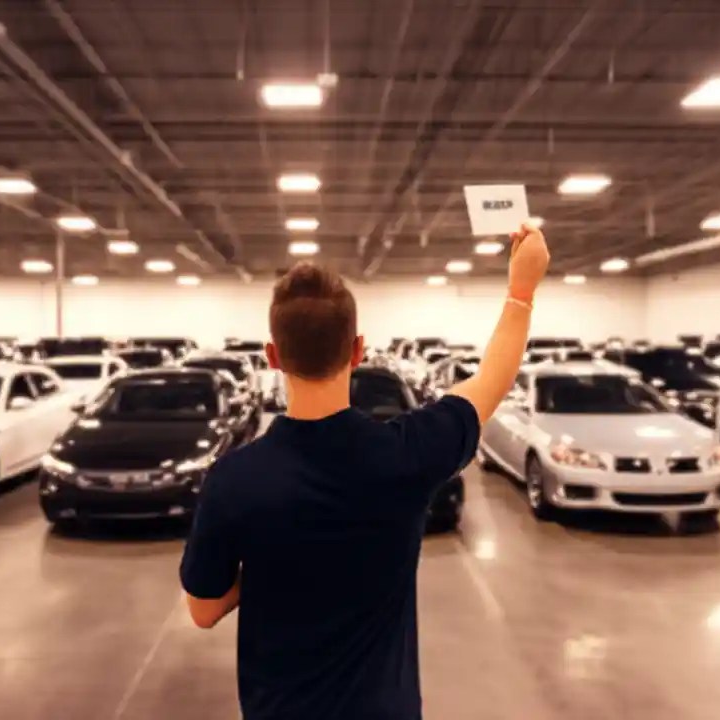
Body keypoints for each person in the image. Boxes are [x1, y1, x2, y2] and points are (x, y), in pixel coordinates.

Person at [179, 223, 551, 719]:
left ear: (273, 357)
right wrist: (521, 291)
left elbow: (204, 610)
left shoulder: (234, 479)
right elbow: (489, 382)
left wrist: (273, 568)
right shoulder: (406, 454)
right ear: (357, 351)